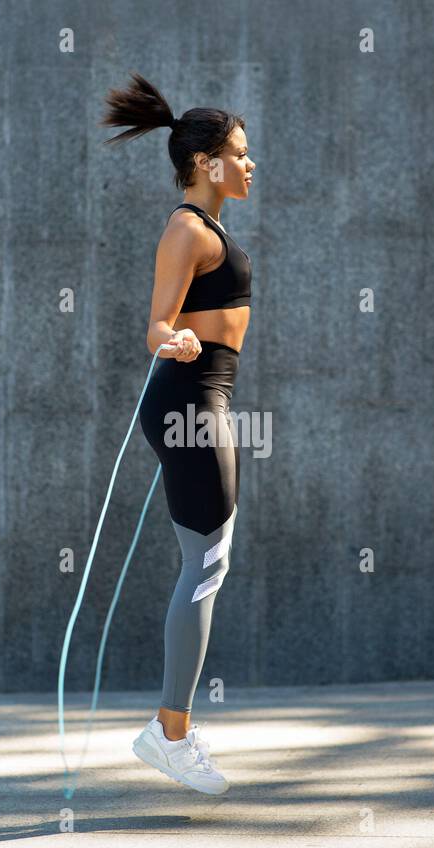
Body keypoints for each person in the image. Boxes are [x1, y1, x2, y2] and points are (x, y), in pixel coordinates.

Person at [98, 73, 255, 795]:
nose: (250, 165)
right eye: (239, 153)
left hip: (204, 400)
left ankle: (172, 727)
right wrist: (175, 343)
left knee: (210, 563)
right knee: (206, 565)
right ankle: (169, 733)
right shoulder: (186, 229)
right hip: (188, 401)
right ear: (203, 162)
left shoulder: (211, 229)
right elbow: (156, 326)